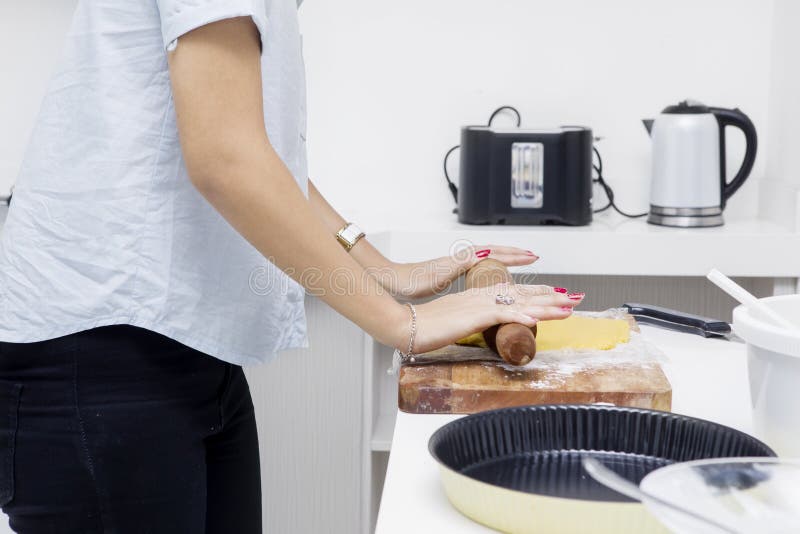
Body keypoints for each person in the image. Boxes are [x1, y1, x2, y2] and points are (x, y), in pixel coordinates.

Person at [0, 1, 584, 532]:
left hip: (185, 348)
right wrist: (401, 322)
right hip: (100, 352)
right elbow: (226, 159)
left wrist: (386, 270)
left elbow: (257, 154)